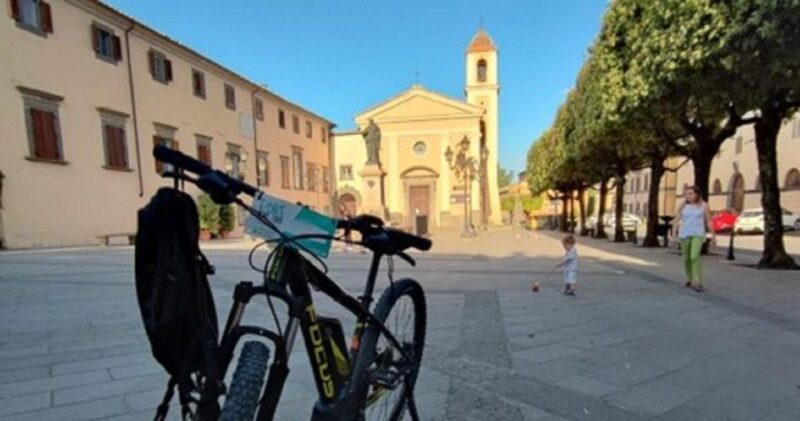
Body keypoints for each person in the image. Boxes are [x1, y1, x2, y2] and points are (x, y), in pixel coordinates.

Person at [671, 185, 716, 292]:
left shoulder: (704, 205)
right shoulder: (683, 205)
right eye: (686, 194)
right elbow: (676, 220)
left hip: (698, 234)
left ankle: (698, 282)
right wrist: (673, 234)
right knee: (686, 258)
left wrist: (713, 235)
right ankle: (688, 279)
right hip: (684, 233)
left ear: (697, 194)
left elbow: (709, 221)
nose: (688, 196)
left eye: (690, 194)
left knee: (694, 256)